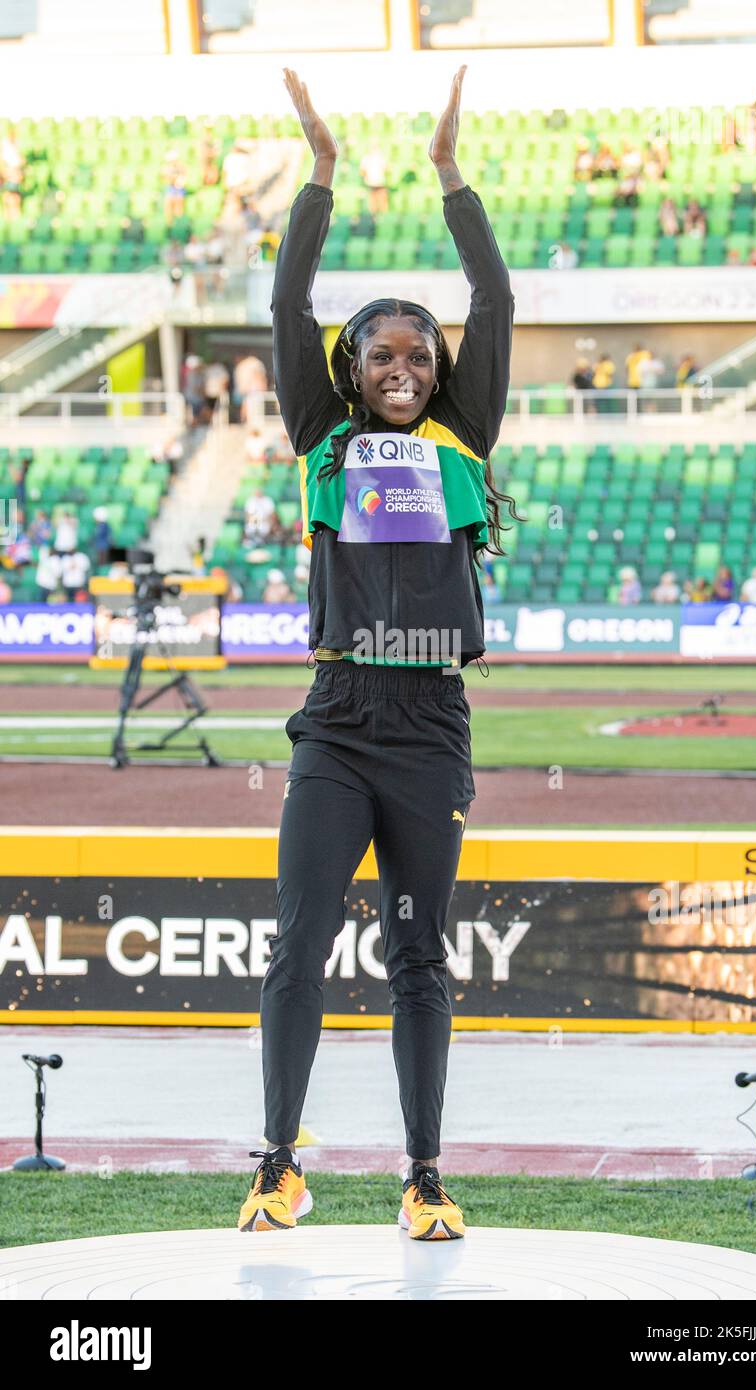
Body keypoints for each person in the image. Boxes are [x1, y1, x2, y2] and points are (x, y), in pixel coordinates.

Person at [238, 65, 518, 1244]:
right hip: (337, 719)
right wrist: (321, 172)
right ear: (350, 374)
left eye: (417, 354)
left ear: (439, 371)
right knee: (298, 941)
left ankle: (424, 1176)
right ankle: (276, 1167)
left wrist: (453, 176)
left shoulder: (465, 430)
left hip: (430, 724)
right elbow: (286, 301)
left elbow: (493, 298)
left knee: (417, 955)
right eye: (378, 356)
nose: (399, 366)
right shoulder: (321, 436)